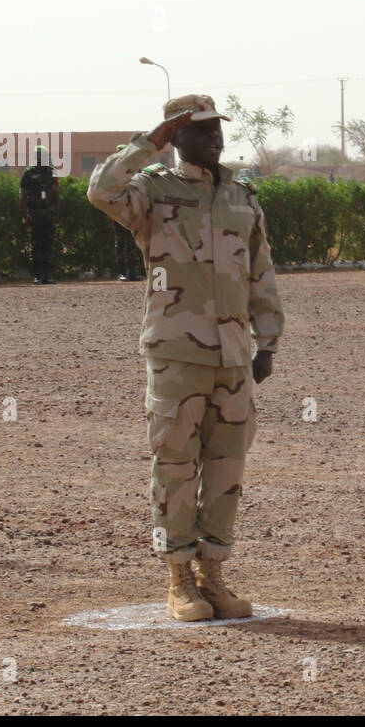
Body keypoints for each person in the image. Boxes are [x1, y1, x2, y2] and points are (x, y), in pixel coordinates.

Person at [87, 94, 284, 622]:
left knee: (226, 466)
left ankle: (213, 573)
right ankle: (178, 578)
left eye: (217, 128)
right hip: (177, 351)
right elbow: (101, 191)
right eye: (200, 129)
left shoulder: (241, 195)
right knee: (175, 464)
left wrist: (267, 342)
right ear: (175, 136)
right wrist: (146, 143)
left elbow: (260, 272)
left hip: (233, 356)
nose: (214, 137)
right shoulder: (151, 190)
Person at [20, 145, 60, 284]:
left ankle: (48, 275)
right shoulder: (28, 173)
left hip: (49, 214)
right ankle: (38, 275)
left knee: (49, 246)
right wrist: (25, 216)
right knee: (36, 246)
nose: (40, 158)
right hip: (35, 215)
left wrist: (57, 214)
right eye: (38, 155)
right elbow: (23, 196)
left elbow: (56, 194)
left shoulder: (52, 172)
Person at [110, 144, 144, 281]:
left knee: (132, 242)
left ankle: (132, 272)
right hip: (118, 211)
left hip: (133, 210)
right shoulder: (112, 172)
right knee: (121, 241)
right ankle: (122, 272)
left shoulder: (136, 169)